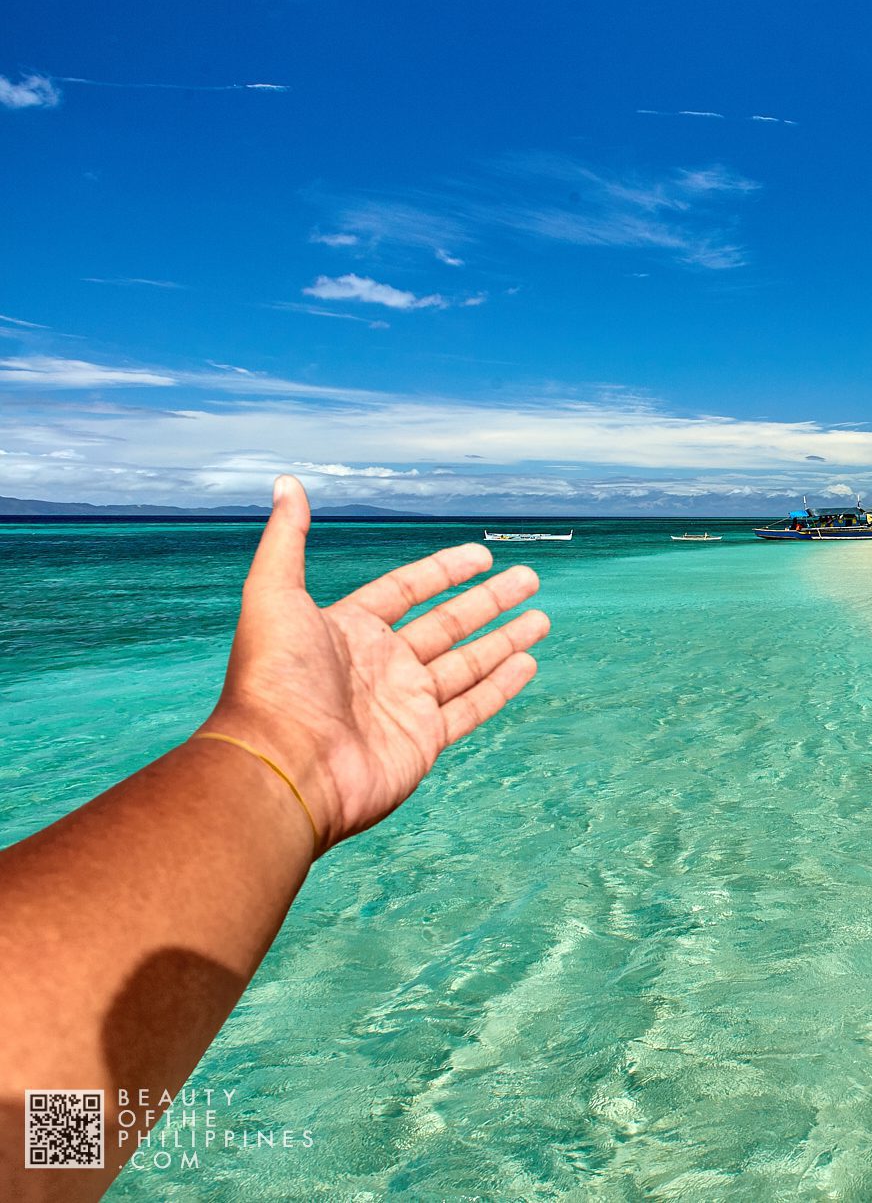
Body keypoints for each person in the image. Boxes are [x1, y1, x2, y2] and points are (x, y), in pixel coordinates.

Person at [0, 476, 548, 1202]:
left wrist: (283, 747)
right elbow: (42, 1150)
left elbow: (35, 1150)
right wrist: (280, 749)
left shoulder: (31, 1142)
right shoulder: (36, 1142)